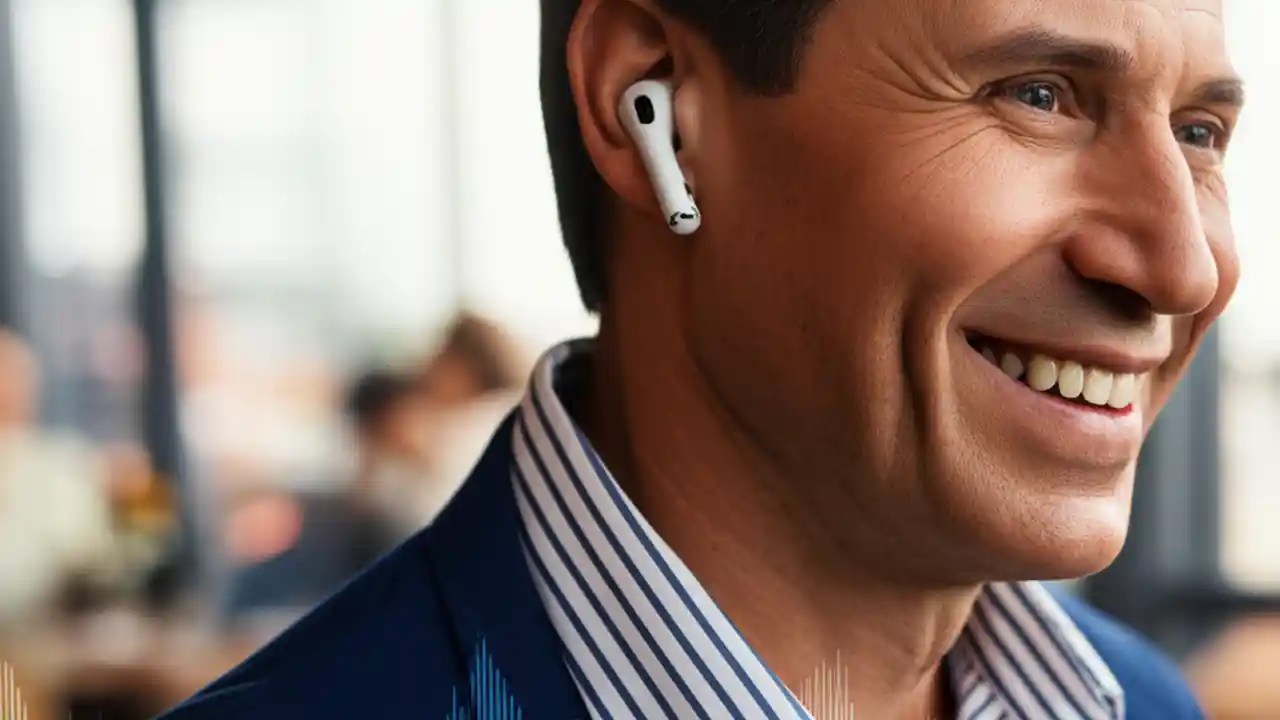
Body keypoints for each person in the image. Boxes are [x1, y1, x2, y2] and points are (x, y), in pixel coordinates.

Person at [161, 0, 1243, 717]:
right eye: (1038, 95)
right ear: (658, 110)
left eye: (1197, 132)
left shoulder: (1142, 706)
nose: (1180, 267)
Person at [0, 331, 116, 624]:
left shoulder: (66, 463)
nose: (8, 390)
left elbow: (95, 562)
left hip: (50, 634)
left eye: (17, 378)